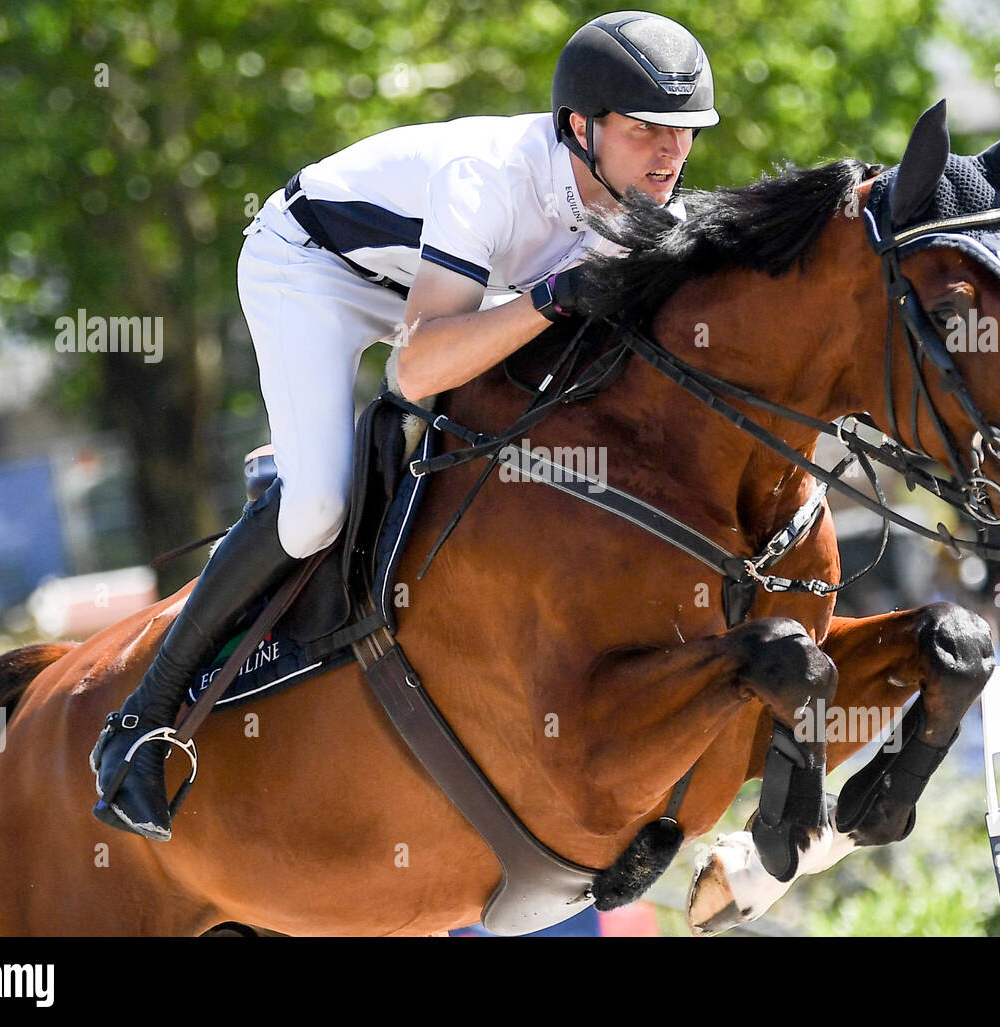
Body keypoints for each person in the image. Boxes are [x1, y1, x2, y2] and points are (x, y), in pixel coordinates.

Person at [91, 10, 719, 840]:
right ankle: (139, 723)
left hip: (438, 291)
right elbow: (417, 367)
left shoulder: (639, 203)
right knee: (317, 508)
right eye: (646, 132)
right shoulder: (487, 178)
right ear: (579, 125)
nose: (670, 156)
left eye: (683, 134)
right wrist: (552, 296)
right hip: (311, 268)